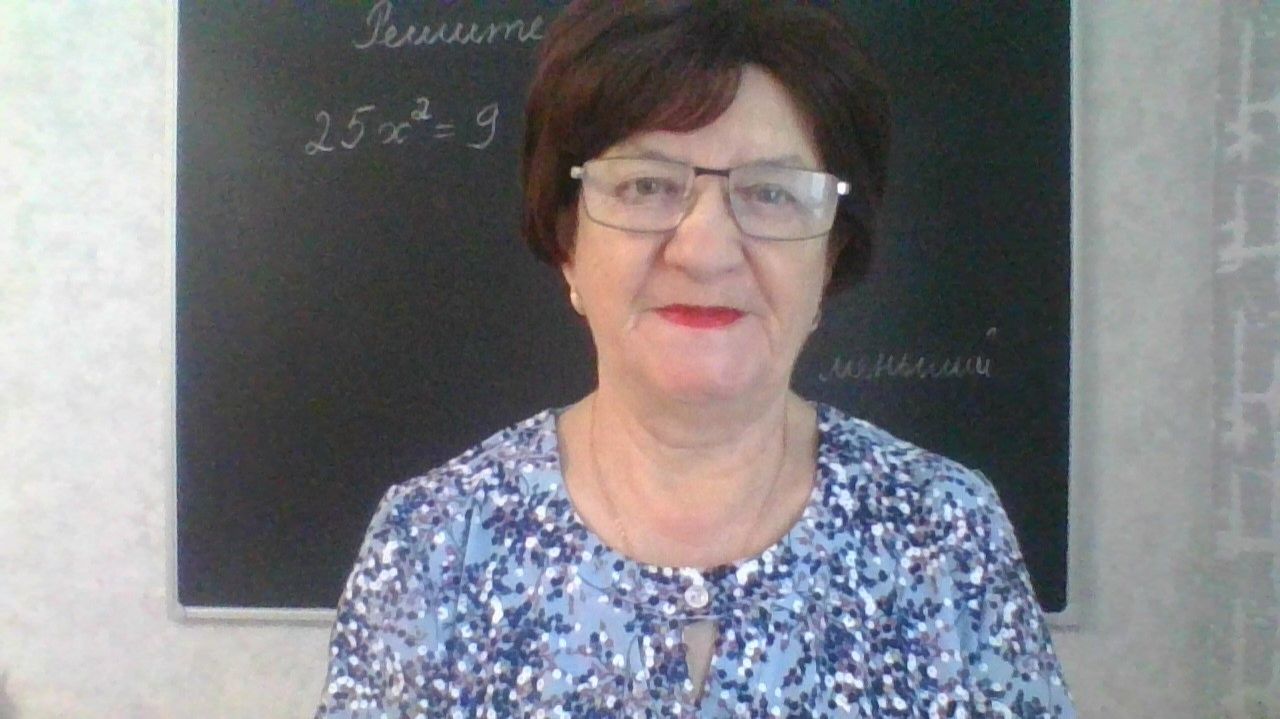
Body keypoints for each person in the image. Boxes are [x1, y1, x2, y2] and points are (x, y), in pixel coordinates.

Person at [315, 1, 1076, 716]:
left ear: (832, 254)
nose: (705, 250)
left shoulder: (946, 534)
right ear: (568, 241)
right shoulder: (436, 545)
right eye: (647, 184)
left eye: (772, 193)